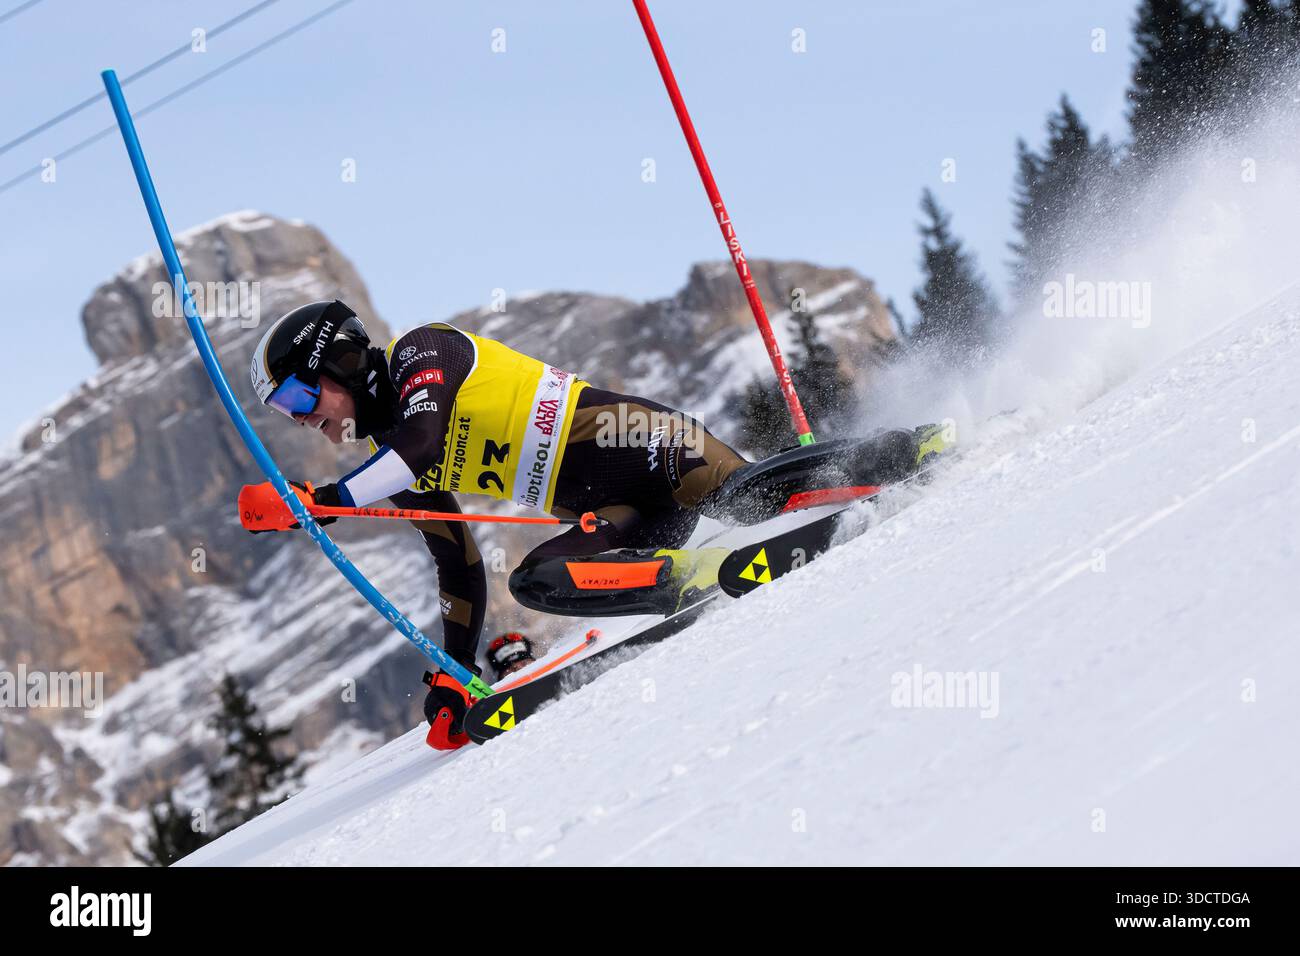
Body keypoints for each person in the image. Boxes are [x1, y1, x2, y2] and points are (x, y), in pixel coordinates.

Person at [242, 299, 950, 747]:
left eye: (302, 395)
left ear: (340, 359)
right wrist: (457, 674)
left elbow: (424, 440)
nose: (305, 418)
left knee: (744, 497)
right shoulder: (391, 465)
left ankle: (913, 445)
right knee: (539, 576)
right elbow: (457, 565)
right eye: (286, 411)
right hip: (618, 516)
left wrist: (321, 500)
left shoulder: (421, 355)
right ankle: (692, 577)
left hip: (644, 445)